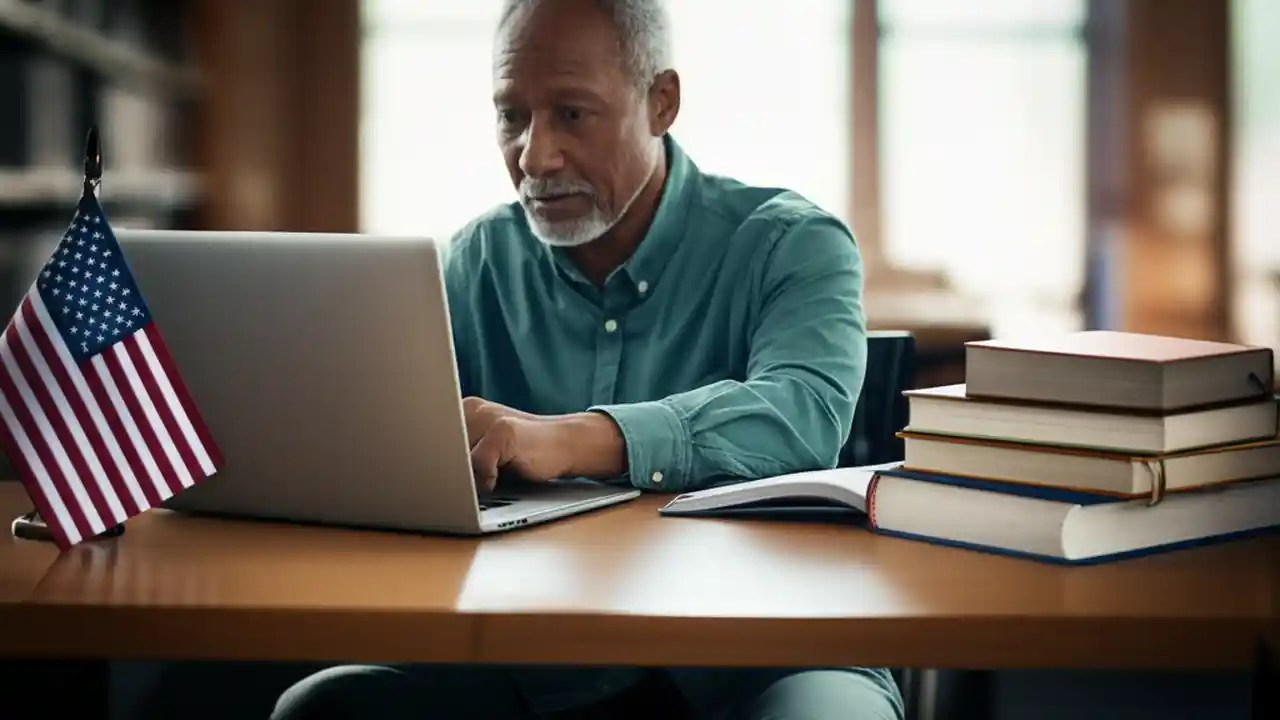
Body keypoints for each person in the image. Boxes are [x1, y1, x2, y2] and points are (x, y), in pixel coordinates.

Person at [272, 0, 902, 718]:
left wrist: (567, 438)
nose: (534, 157)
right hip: (528, 665)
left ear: (660, 102)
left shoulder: (793, 244)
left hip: (764, 654)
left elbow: (801, 417)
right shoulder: (473, 264)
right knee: (322, 708)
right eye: (512, 116)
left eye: (572, 114)